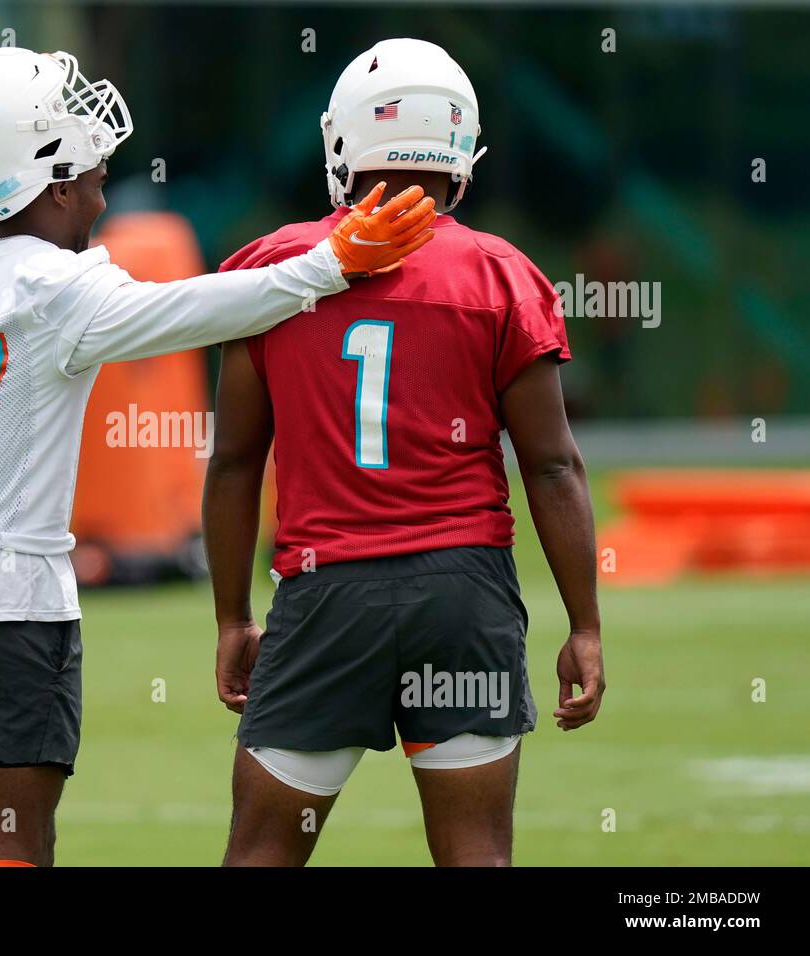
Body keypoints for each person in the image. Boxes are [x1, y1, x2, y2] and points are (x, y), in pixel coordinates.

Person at [0, 46, 437, 867]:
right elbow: (198, 308)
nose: (99, 175)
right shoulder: (58, 289)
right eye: (82, 159)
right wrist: (333, 263)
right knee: (14, 847)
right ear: (52, 181)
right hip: (5, 595)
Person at [204, 37, 606, 866]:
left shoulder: (272, 270)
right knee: (475, 855)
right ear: (460, 149)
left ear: (344, 141)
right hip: (463, 597)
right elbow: (553, 462)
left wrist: (232, 616)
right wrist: (585, 623)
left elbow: (236, 461)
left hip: (326, 595)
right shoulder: (502, 276)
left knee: (260, 855)